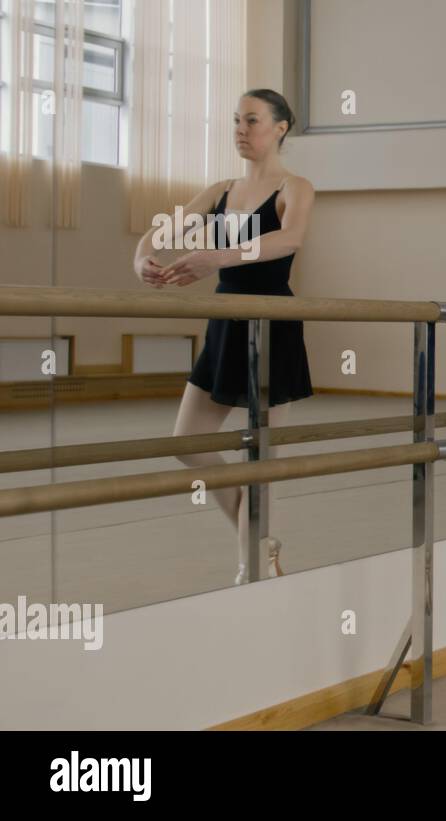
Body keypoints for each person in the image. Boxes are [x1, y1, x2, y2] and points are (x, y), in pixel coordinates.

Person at [132, 88, 316, 585]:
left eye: (251, 120)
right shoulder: (218, 190)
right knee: (187, 441)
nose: (240, 129)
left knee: (260, 455)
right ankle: (261, 542)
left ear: (279, 127)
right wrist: (143, 257)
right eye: (236, 120)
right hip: (224, 323)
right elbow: (163, 230)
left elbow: (290, 237)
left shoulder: (295, 187)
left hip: (272, 320)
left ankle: (249, 565)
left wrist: (219, 257)